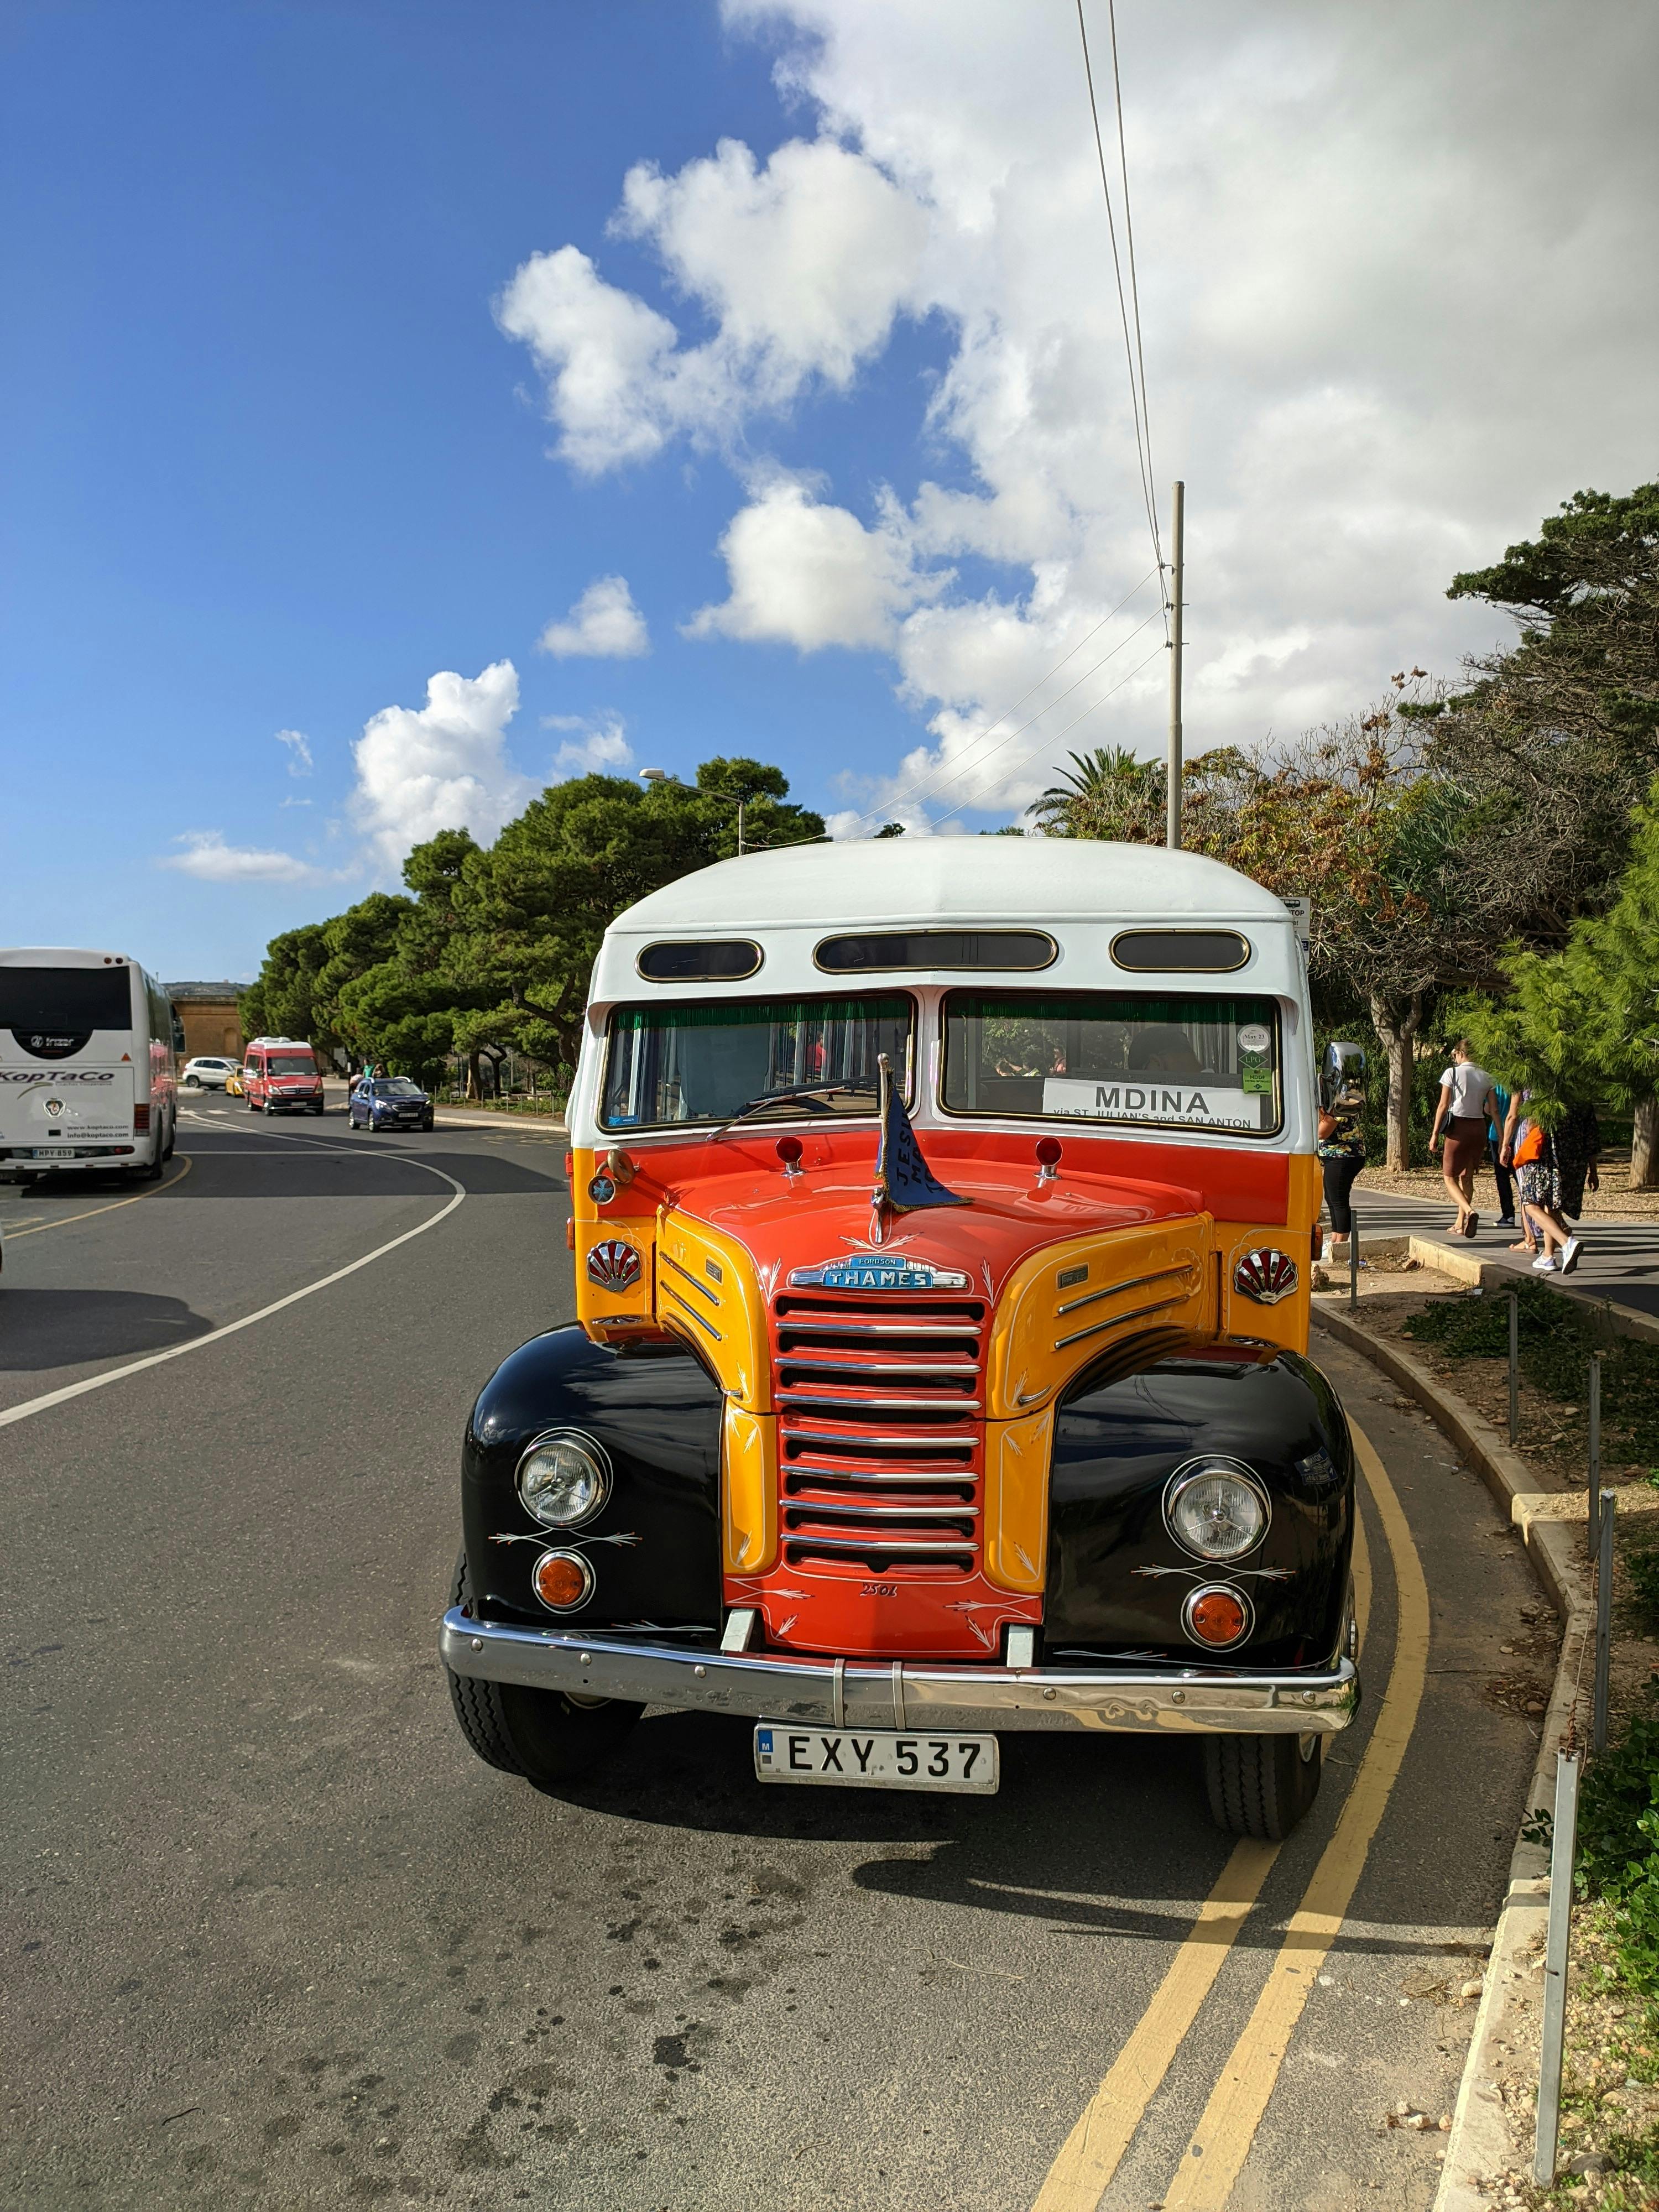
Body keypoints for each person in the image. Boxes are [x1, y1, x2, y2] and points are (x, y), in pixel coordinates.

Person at [1430, 1041, 1500, 1239]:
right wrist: (1502, 1138)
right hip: (1478, 1127)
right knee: (1467, 1176)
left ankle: (1470, 1212)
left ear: (1461, 1054)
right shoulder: (1487, 1076)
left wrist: (1435, 1134)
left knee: (1449, 1177)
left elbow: (1443, 1105)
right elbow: (1493, 1110)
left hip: (1458, 1127)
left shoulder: (1452, 1073)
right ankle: (1460, 1223)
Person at [1317, 1087, 1366, 1264]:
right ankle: (1335, 1242)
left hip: (1344, 1156)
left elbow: (1323, 1132)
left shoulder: (1342, 1102)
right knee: (1332, 1198)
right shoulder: (1340, 1099)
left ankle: (1340, 1246)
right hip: (1337, 1156)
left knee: (1338, 1200)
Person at [1487, 1082, 1517, 1230]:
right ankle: (1533, 1212)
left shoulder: (1496, 1085)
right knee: (1520, 1176)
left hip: (1497, 1135)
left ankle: (1508, 1214)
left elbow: (1489, 1109)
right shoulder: (1520, 1084)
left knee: (1502, 1177)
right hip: (1518, 1135)